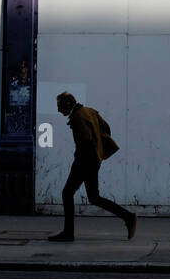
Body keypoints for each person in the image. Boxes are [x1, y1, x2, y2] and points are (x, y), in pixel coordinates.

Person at [48, 91, 137, 242]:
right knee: (94, 197)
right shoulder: (89, 111)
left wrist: (78, 162)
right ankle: (128, 217)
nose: (58, 109)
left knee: (67, 193)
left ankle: (68, 233)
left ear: (68, 104)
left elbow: (85, 140)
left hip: (85, 161)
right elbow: (106, 128)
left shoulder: (78, 117)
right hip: (94, 159)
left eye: (59, 106)